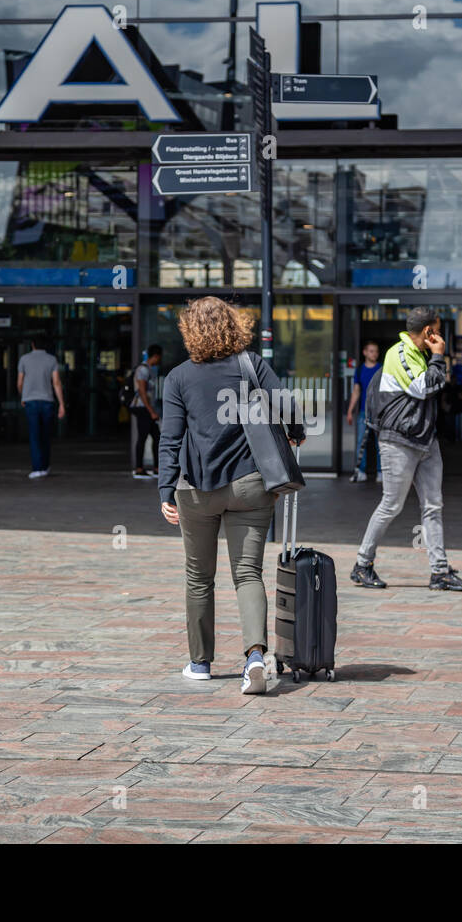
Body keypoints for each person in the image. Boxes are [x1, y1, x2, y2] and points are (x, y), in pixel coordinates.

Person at [157, 297, 305, 694]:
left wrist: (165, 489)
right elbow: (287, 405)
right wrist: (296, 432)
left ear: (190, 330)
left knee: (198, 578)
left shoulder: (178, 378)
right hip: (251, 484)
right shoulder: (251, 364)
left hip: (197, 490)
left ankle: (200, 663)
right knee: (247, 573)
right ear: (233, 325)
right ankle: (255, 657)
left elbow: (170, 439)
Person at [351, 307, 462, 592]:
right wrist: (440, 356)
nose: (440, 335)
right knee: (391, 504)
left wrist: (436, 361)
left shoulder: (421, 354)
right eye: (438, 329)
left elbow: (436, 383)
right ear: (429, 332)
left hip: (425, 438)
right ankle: (362, 564)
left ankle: (439, 572)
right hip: (399, 441)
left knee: (433, 505)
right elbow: (425, 388)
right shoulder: (400, 353)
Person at [16, 335, 66, 479]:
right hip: (47, 401)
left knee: (34, 435)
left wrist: (23, 395)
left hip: (31, 401)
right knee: (45, 435)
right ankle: (45, 466)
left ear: (32, 344)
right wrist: (61, 404)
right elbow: (56, 382)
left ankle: (38, 468)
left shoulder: (24, 359)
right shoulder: (52, 360)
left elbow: (20, 382)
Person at [346, 339, 382, 483]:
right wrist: (350, 410)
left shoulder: (382, 369)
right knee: (361, 443)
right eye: (371, 351)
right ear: (365, 352)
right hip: (363, 412)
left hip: (379, 413)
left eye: (376, 351)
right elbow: (356, 391)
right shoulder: (360, 370)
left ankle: (381, 472)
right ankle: (361, 472)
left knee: (381, 444)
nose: (374, 354)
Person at [129, 344, 162, 479]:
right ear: (156, 356)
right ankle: (139, 468)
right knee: (143, 437)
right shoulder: (143, 370)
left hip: (146, 408)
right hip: (143, 408)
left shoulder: (148, 369)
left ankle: (156, 467)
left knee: (156, 437)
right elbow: (142, 391)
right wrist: (151, 411)